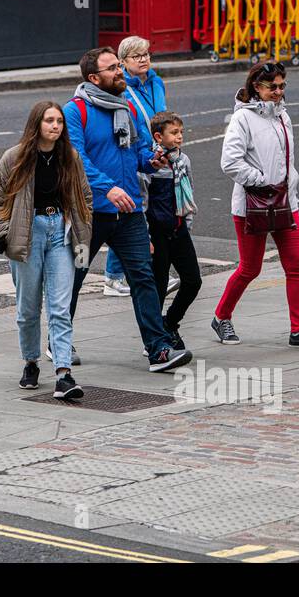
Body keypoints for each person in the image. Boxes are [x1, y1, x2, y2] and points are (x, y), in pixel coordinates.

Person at [64, 47, 191, 373]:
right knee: (72, 280)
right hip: (89, 213)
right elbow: (77, 161)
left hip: (130, 212)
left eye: (119, 66)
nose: (119, 71)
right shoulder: (75, 110)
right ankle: (59, 342)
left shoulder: (127, 109)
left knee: (143, 278)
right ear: (94, 78)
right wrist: (109, 187)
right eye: (111, 68)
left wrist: (152, 161)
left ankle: (158, 349)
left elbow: (137, 155)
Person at [213, 61, 299, 349]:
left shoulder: (283, 115)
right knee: (250, 268)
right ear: (256, 88)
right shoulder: (243, 119)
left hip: (287, 202)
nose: (278, 91)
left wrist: (288, 184)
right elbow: (230, 163)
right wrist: (261, 181)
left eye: (282, 85)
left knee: (296, 266)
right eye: (272, 86)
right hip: (254, 204)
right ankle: (221, 316)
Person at [0, 101, 92, 399]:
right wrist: (7, 234)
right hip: (27, 234)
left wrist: (83, 235)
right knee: (28, 309)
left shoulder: (70, 157)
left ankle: (63, 374)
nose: (55, 126)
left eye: (59, 121)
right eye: (49, 121)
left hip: (60, 231)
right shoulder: (16, 157)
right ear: (37, 124)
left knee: (60, 308)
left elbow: (85, 197)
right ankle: (31, 361)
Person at [103, 35, 169, 297]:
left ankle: (145, 272)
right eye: (136, 56)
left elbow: (161, 114)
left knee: (152, 215)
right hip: (137, 156)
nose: (143, 60)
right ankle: (113, 278)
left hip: (158, 154)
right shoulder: (122, 88)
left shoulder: (156, 82)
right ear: (123, 62)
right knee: (132, 214)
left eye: (146, 54)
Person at [144, 111, 201, 350]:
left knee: (193, 281)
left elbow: (188, 190)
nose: (179, 137)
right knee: (158, 285)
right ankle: (154, 339)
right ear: (158, 136)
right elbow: (143, 200)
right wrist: (145, 235)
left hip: (178, 229)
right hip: (157, 233)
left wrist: (186, 224)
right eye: (174, 133)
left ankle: (170, 323)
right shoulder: (150, 164)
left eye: (181, 132)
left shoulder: (183, 160)